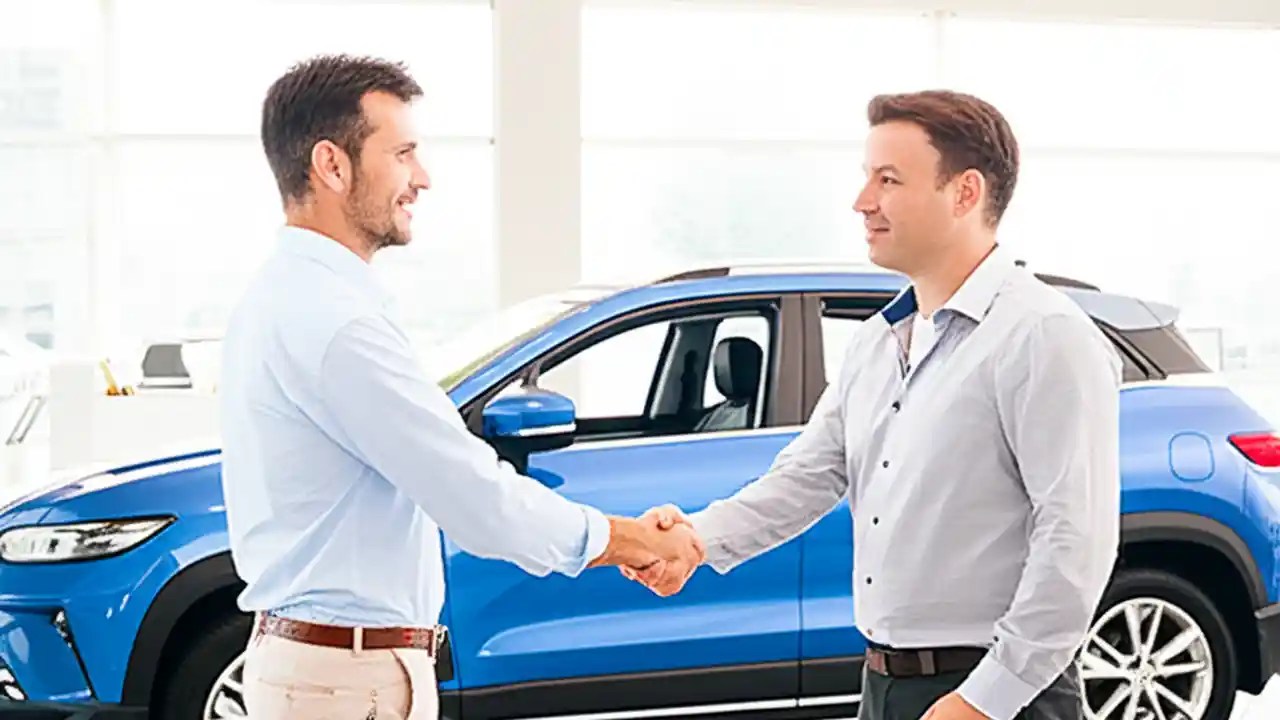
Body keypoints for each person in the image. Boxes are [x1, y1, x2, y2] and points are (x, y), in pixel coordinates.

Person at [219, 54, 703, 720]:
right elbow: (475, 499)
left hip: (329, 672)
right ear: (332, 165)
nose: (422, 177)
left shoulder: (286, 296)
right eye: (403, 154)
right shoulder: (335, 322)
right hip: (347, 684)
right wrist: (637, 541)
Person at [629, 90, 1122, 720]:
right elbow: (808, 477)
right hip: (885, 683)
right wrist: (696, 539)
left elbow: (1076, 541)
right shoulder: (878, 341)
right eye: (868, 177)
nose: (862, 201)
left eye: (888, 180)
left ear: (964, 193)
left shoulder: (1043, 335)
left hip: (996, 694)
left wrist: (985, 699)